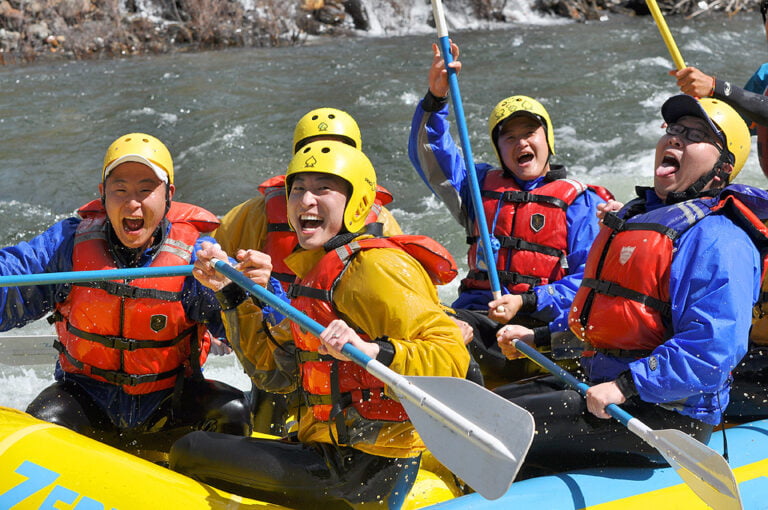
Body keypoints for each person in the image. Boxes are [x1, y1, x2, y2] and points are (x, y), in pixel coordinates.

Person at [170, 140, 470, 509]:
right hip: (328, 451)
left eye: (322, 189)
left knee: (189, 451)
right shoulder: (318, 273)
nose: (305, 201)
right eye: (298, 189)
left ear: (358, 202)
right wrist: (231, 293)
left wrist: (375, 350)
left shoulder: (378, 268)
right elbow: (272, 373)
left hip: (366, 471)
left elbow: (451, 354)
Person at [494, 95, 768, 475]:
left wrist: (627, 385)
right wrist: (541, 339)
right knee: (491, 406)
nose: (676, 139)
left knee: (499, 426)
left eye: (696, 134)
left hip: (663, 413)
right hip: (605, 386)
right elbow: (614, 319)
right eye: (674, 130)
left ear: (722, 169)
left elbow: (713, 348)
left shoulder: (720, 239)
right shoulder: (637, 217)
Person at [10, 133, 251, 462]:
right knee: (43, 420)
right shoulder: (66, 243)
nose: (132, 203)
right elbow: (13, 275)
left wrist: (232, 291)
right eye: (120, 189)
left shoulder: (198, 259)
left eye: (145, 190)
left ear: (168, 196)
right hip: (86, 399)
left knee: (233, 411)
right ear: (103, 194)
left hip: (168, 404)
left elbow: (254, 340)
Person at [408, 41, 612, 387]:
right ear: (499, 149)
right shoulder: (477, 186)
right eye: (509, 137)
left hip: (539, 328)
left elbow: (588, 284)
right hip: (476, 316)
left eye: (529, 133)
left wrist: (525, 300)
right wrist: (436, 97)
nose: (521, 144)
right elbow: (429, 152)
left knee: (445, 340)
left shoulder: (580, 202)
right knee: (414, 324)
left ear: (548, 139)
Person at [212, 107, 405, 434]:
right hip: (280, 348)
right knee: (268, 407)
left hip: (343, 362)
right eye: (310, 152)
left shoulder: (380, 227)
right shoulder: (258, 214)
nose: (321, 159)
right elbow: (211, 258)